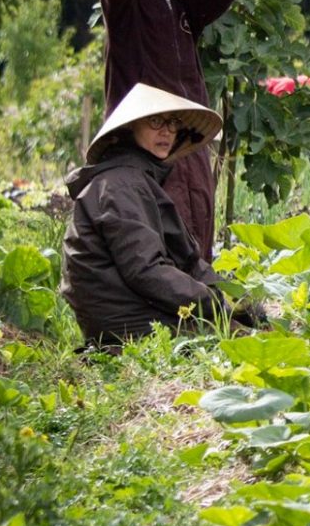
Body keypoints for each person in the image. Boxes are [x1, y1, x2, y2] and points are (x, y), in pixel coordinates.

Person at [88, 0, 276, 259]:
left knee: (198, 206)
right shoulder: (126, 6)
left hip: (187, 130)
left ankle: (200, 296)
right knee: (159, 217)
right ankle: (166, 300)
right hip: (144, 135)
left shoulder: (181, 3)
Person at [60, 83, 256, 346]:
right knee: (239, 341)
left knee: (243, 329)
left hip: (134, 309)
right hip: (126, 323)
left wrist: (235, 298)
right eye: (155, 121)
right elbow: (146, 270)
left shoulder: (136, 178)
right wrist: (216, 303)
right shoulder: (121, 184)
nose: (166, 131)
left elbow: (187, 261)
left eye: (173, 123)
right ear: (130, 127)